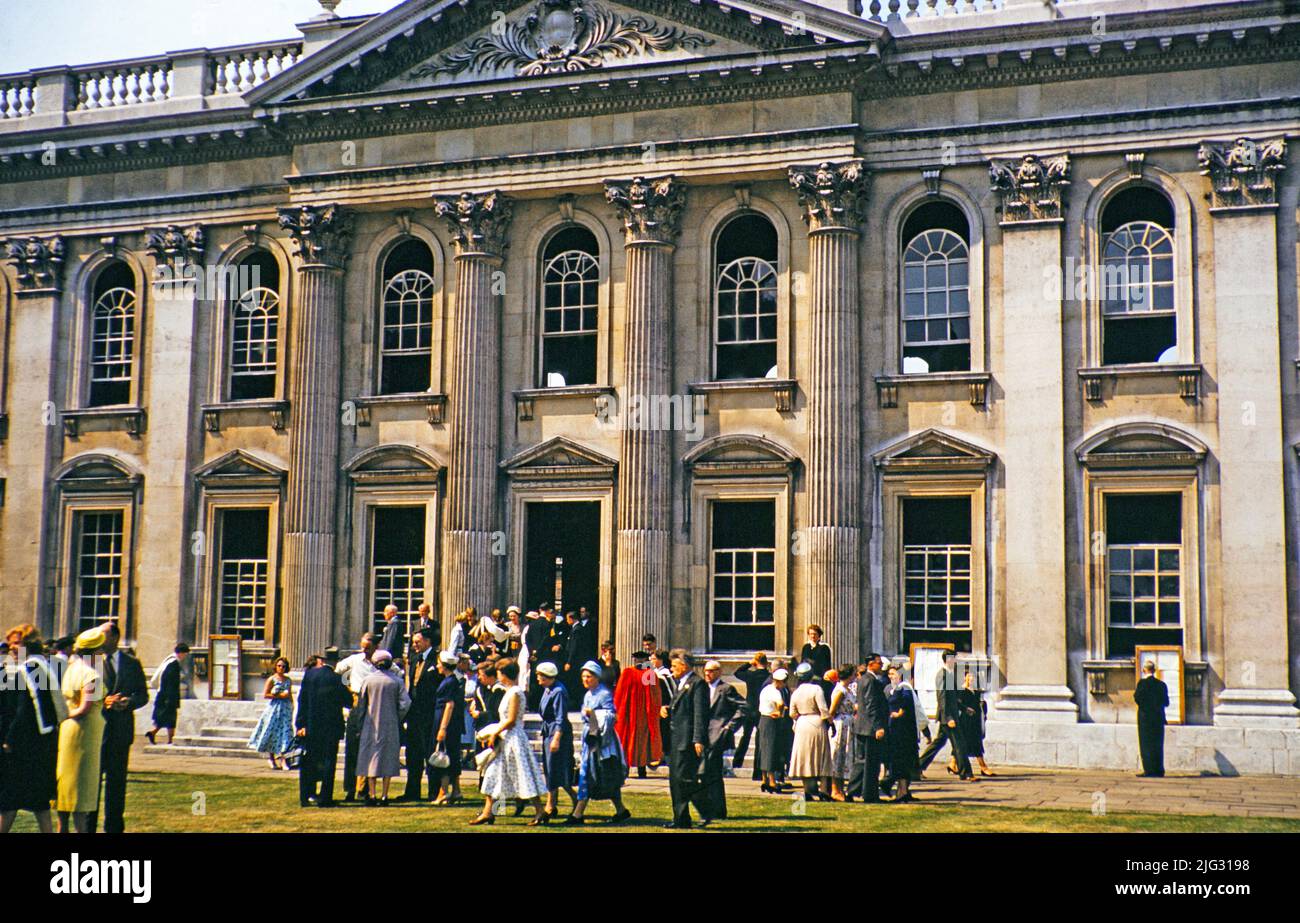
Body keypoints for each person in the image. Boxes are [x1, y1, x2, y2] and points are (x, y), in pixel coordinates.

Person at [1, 625, 66, 833]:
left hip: (23, 746)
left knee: (9, 798)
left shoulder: (27, 670)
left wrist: (9, 739)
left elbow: (23, 711)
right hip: (42, 742)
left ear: (28, 644)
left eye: (16, 643)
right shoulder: (42, 666)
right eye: (10, 643)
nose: (11, 648)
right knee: (39, 801)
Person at [471, 658, 548, 825]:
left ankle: (540, 810)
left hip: (513, 739)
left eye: (499, 672)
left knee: (522, 776)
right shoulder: (508, 692)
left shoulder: (515, 693)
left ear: (505, 674)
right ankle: (488, 812)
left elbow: (511, 719)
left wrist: (495, 732)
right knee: (492, 773)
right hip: (505, 739)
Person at [94, 621, 147, 834]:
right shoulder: (91, 662)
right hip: (96, 731)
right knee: (92, 786)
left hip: (121, 731)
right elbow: (81, 695)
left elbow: (143, 695)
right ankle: (88, 827)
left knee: (117, 785)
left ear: (115, 638)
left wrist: (129, 702)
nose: (100, 640)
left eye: (104, 635)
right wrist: (105, 701)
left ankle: (114, 828)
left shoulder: (132, 663)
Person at [56, 627, 108, 834]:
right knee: (81, 784)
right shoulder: (92, 675)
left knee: (66, 782)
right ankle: (80, 829)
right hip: (84, 733)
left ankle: (63, 827)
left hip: (69, 731)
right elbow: (85, 707)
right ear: (95, 652)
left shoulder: (72, 668)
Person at [567, 661, 631, 825]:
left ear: (596, 678)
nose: (585, 679)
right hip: (591, 738)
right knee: (596, 774)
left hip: (603, 741)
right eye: (583, 676)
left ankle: (578, 813)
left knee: (592, 774)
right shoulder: (588, 694)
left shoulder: (603, 694)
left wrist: (593, 713)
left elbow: (611, 715)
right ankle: (621, 810)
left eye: (588, 676)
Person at [295, 653, 350, 807]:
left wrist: (300, 724)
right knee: (328, 762)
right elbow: (348, 701)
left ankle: (305, 796)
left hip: (311, 726)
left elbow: (302, 701)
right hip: (331, 727)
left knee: (308, 762)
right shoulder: (338, 678)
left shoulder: (310, 675)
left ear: (323, 660)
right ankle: (325, 797)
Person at [355, 650, 410, 805]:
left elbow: (362, 704)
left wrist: (361, 722)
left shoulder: (368, 680)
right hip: (390, 723)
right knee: (388, 757)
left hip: (370, 723)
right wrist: (397, 716)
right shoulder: (397, 681)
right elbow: (405, 703)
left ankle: (372, 794)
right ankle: (385, 795)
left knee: (370, 758)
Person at [663, 650, 709, 829]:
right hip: (676, 738)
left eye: (674, 666)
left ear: (684, 666)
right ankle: (681, 818)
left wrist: (698, 739)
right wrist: (667, 709)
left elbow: (700, 713)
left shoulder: (697, 684)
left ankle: (705, 808)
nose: (671, 669)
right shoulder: (681, 683)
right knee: (676, 779)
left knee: (684, 779)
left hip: (687, 739)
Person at [700, 659, 748, 822]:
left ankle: (718, 810)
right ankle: (708, 809)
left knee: (713, 773)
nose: (708, 674)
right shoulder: (700, 688)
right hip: (701, 736)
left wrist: (729, 726)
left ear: (719, 672)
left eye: (711, 671)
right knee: (704, 773)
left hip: (718, 735)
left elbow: (744, 707)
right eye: (706, 671)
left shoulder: (726, 689)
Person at [335, 633, 378, 801]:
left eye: (367, 648)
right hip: (356, 701)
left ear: (376, 647)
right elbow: (337, 671)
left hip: (373, 703)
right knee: (352, 747)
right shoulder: (354, 660)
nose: (364, 650)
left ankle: (365, 788)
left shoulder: (380, 661)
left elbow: (396, 672)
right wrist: (346, 689)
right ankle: (350, 789)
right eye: (362, 647)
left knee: (369, 749)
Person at [918, 651, 973, 781]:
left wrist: (964, 709)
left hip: (950, 716)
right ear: (948, 660)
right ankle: (966, 773)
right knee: (959, 744)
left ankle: (917, 767)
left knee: (938, 743)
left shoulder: (949, 674)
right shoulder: (942, 675)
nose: (955, 661)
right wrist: (948, 718)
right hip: (948, 717)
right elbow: (942, 698)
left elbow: (952, 698)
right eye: (954, 659)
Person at [401, 628, 440, 801]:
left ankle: (434, 791)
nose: (414, 645)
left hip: (430, 714)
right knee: (413, 754)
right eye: (413, 642)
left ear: (428, 641)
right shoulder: (415, 659)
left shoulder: (437, 660)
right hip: (415, 714)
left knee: (429, 754)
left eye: (417, 642)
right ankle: (412, 791)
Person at [535, 662, 576, 819]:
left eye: (540, 676)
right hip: (548, 731)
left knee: (558, 770)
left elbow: (560, 718)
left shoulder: (558, 691)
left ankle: (574, 801)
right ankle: (551, 803)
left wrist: (556, 739)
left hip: (557, 733)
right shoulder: (548, 690)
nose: (538, 678)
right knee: (550, 769)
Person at [613, 649, 663, 778]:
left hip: (643, 715)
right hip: (629, 713)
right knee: (628, 740)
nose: (638, 661)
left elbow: (652, 695)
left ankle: (642, 770)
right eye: (637, 659)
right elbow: (620, 695)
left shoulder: (648, 673)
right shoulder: (628, 672)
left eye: (641, 659)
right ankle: (626, 769)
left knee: (642, 742)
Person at [788, 662, 831, 801]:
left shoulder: (796, 692)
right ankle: (824, 790)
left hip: (802, 723)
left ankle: (807, 789)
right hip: (816, 721)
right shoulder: (816, 689)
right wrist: (830, 722)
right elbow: (823, 709)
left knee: (804, 757)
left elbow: (792, 713)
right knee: (822, 757)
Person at [850, 653, 889, 803]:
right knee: (872, 764)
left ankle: (853, 790)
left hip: (862, 726)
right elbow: (871, 705)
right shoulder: (871, 681)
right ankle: (870, 795)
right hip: (870, 728)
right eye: (879, 663)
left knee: (861, 761)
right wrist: (878, 726)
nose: (881, 666)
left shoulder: (863, 679)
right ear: (871, 664)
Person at [430, 651, 466, 804]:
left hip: (446, 723)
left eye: (439, 663)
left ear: (444, 666)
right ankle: (456, 790)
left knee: (444, 757)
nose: (437, 666)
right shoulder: (453, 680)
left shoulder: (449, 682)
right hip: (452, 724)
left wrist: (442, 728)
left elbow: (449, 705)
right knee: (452, 755)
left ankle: (443, 792)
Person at [248, 657, 295, 769]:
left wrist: (292, 704)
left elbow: (290, 694)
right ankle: (271, 758)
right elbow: (266, 694)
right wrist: (278, 695)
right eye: (279, 666)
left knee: (284, 733)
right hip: (274, 708)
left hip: (285, 709)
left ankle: (283, 759)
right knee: (272, 731)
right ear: (276, 667)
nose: (281, 668)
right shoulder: (272, 679)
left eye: (283, 666)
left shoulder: (288, 680)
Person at [884, 665, 920, 802]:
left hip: (904, 729)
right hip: (892, 728)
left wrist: (899, 713)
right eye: (889, 674)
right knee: (898, 760)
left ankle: (901, 790)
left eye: (893, 674)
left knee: (903, 759)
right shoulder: (889, 688)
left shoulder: (905, 688)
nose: (890, 676)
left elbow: (906, 702)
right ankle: (902, 791)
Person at [732, 652, 770, 780]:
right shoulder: (768, 677)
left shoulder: (751, 675)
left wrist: (749, 663)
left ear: (756, 662)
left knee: (745, 737)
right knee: (760, 742)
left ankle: (737, 762)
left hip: (749, 709)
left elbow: (737, 672)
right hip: (761, 710)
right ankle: (757, 772)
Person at [756, 667, 790, 793]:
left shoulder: (766, 689)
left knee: (763, 750)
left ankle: (764, 779)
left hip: (763, 719)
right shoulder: (775, 691)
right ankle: (772, 781)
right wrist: (780, 713)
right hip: (771, 721)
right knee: (770, 750)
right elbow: (781, 704)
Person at [146, 643, 189, 745]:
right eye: (185, 654)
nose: (185, 657)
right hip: (168, 696)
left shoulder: (169, 661)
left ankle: (157, 734)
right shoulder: (173, 664)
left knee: (166, 718)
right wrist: (170, 698)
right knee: (170, 718)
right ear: (181, 653)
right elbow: (170, 682)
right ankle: (169, 739)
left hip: (164, 695)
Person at [1134, 659, 1170, 778]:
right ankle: (1159, 770)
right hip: (1158, 717)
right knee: (1158, 744)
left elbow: (1137, 698)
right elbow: (1166, 702)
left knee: (1146, 744)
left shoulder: (1142, 684)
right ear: (1154, 670)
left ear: (1144, 670)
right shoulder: (1161, 685)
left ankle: (1149, 770)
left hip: (1145, 718)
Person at [827, 664, 856, 801]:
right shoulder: (840, 690)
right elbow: (832, 710)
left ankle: (841, 789)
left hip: (848, 724)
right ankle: (834, 789)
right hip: (840, 725)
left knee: (845, 757)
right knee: (837, 756)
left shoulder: (847, 689)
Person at [958, 670, 994, 777]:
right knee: (973, 743)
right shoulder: (962, 690)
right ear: (965, 678)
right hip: (966, 721)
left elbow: (981, 704)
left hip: (976, 720)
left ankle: (953, 764)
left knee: (963, 744)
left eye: (973, 676)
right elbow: (958, 704)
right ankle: (983, 767)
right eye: (969, 676)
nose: (972, 678)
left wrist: (983, 706)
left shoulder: (977, 691)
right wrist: (966, 709)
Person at [563, 608, 598, 699]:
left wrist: (569, 662)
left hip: (575, 661)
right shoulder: (576, 628)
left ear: (571, 619)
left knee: (575, 681)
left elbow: (574, 648)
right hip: (576, 660)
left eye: (567, 619)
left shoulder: (577, 630)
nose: (566, 621)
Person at [798, 624, 833, 700]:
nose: (813, 636)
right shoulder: (806, 647)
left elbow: (826, 665)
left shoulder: (824, 647)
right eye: (811, 634)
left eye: (815, 634)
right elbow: (803, 662)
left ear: (819, 635)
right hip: (807, 677)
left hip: (819, 678)